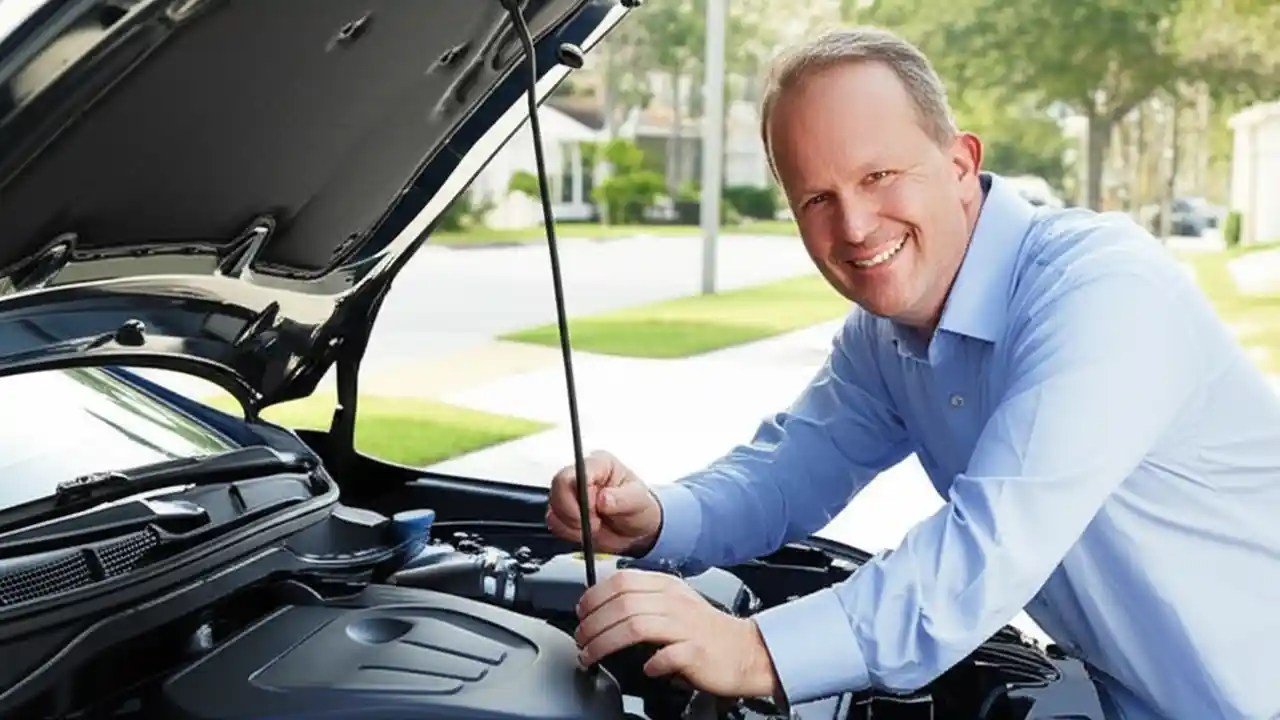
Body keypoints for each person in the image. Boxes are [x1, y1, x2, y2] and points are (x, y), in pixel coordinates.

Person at [547, 25, 1280, 720]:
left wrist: (752, 650)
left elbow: (987, 550)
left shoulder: (1101, 291)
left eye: (879, 175)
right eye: (817, 199)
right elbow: (789, 468)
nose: (856, 226)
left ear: (961, 164)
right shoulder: (887, 334)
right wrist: (658, 517)